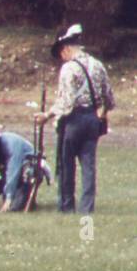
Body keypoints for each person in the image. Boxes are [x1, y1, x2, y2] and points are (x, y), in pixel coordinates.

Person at [35, 24, 113, 214]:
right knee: (88, 168)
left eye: (61, 53)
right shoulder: (97, 65)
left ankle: (66, 207)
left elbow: (66, 102)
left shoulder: (69, 69)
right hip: (92, 120)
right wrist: (99, 114)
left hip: (74, 120)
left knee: (66, 164)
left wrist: (47, 115)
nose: (61, 58)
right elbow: (108, 98)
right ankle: (87, 210)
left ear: (66, 48)